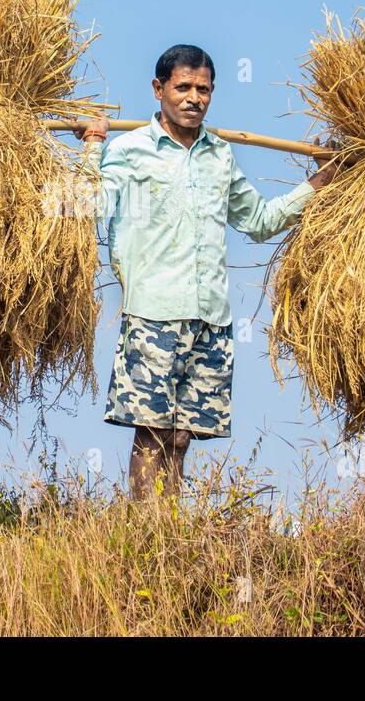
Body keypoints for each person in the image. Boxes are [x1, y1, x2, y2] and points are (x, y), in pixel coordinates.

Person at [73, 44, 345, 500]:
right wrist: (93, 146)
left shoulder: (219, 155)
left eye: (203, 89)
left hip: (212, 319)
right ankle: (144, 537)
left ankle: (172, 537)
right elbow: (88, 204)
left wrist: (320, 182)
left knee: (182, 438)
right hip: (153, 313)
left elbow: (259, 221)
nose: (193, 98)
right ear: (159, 90)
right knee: (152, 432)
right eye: (182, 87)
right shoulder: (130, 150)